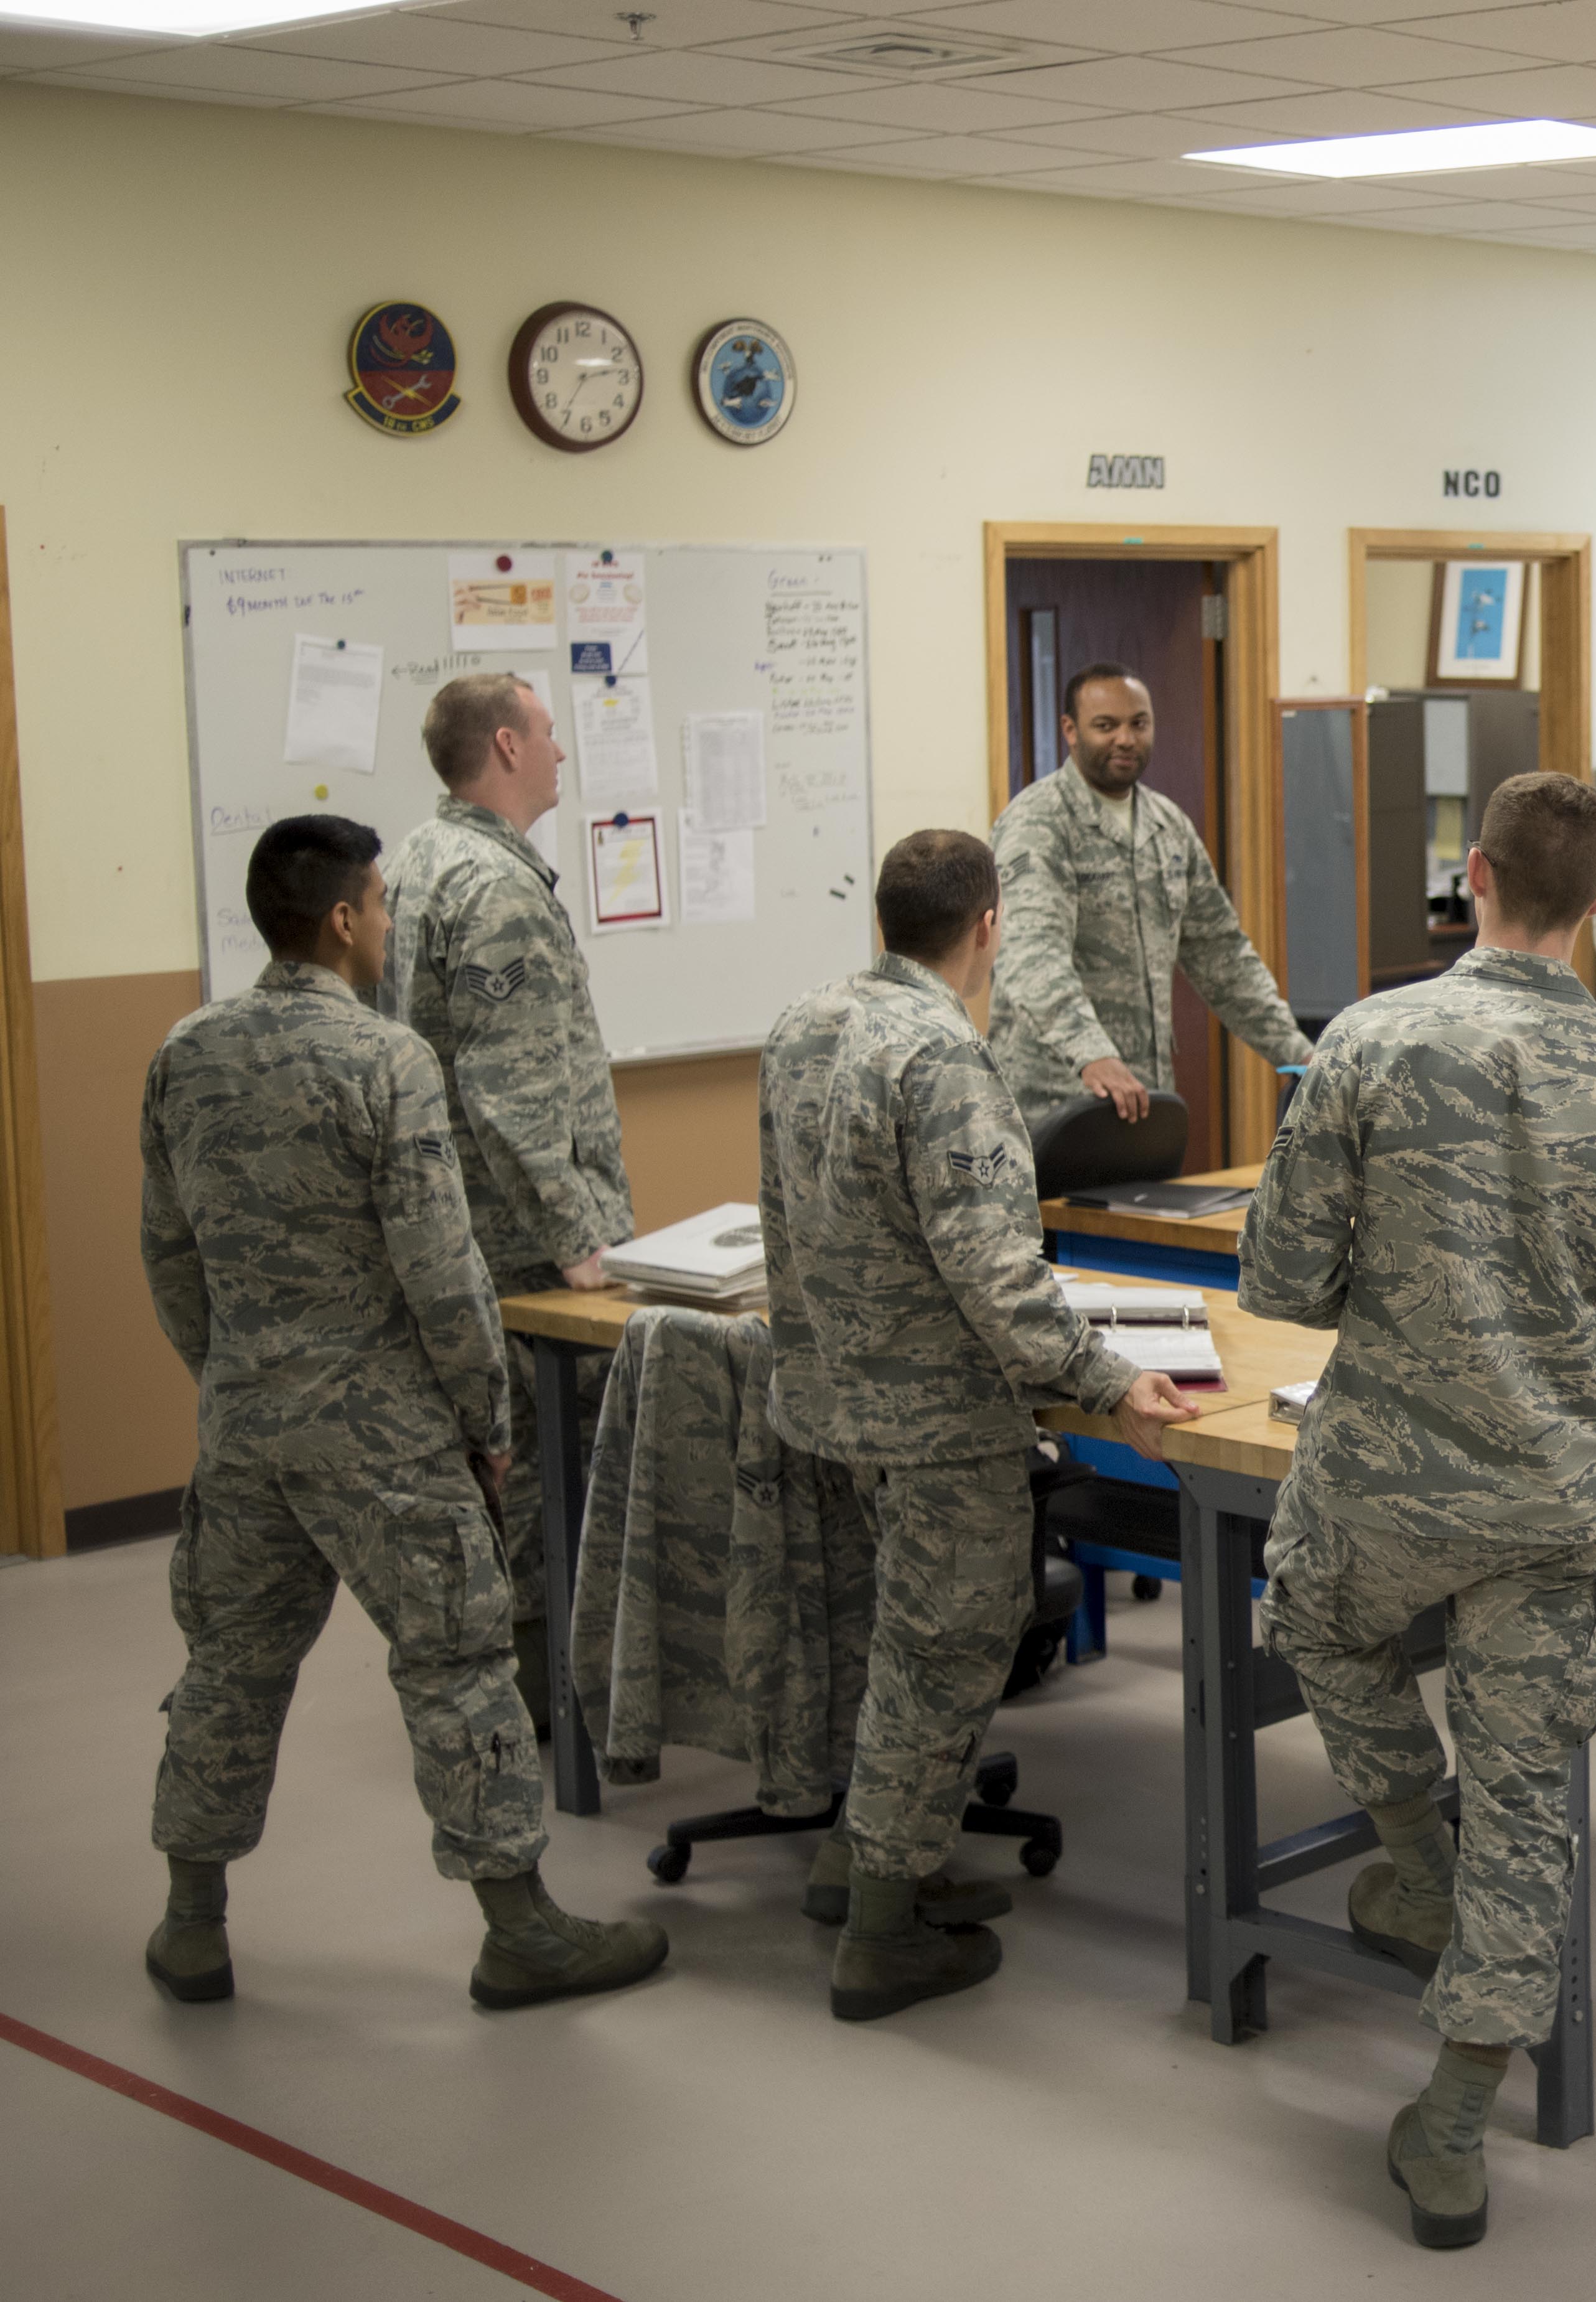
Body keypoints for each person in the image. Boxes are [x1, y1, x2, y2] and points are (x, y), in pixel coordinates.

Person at [1239, 772, 1596, 2248]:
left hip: (1382, 1470)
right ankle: (1450, 2120)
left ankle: (1411, 1860)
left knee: (1310, 1617)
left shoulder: (1370, 1040)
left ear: (1470, 877)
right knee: (1531, 1795)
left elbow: (1279, 1280)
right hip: (1550, 1494)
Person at [141, 815, 666, 2011]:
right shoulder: (385, 1061)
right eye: (379, 902)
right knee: (458, 1664)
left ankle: (190, 1919)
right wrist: (485, 1416)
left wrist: (229, 1378)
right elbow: (444, 1270)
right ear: (340, 919)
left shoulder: (188, 1051)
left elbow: (168, 1252)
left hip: (246, 1425)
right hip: (381, 1436)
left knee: (229, 1663)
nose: (389, 921)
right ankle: (520, 1927)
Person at [758, 830, 1200, 2020]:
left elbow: (781, 1218)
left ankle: (862, 1858)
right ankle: (882, 1931)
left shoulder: (809, 1021)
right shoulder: (944, 1058)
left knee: (901, 1640)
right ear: (989, 926)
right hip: (938, 1412)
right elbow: (996, 1272)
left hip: (840, 1394)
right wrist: (1105, 1377)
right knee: (940, 1649)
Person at [380, 671, 636, 1731]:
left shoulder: (414, 862)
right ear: (505, 745)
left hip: (459, 1224)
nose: (564, 751)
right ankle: (544, 1695)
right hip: (518, 1245)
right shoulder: (490, 883)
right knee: (539, 1468)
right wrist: (578, 1239)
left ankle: (517, 1679)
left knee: (492, 1463)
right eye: (548, 732)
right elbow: (513, 1087)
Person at [987, 663, 1313, 1128]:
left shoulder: (1167, 826)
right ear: (1070, 730)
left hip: (1145, 1097)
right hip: (1052, 1103)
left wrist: (1298, 1052)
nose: (1125, 738)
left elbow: (1223, 956)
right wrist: (1091, 1053)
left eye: (1138, 723)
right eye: (1106, 725)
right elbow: (1031, 956)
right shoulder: (1038, 824)